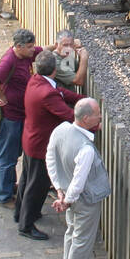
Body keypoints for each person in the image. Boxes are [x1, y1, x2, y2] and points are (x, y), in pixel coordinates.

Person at [48, 98, 110, 259]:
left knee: (71, 234)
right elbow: (79, 181)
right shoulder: (86, 149)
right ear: (86, 119)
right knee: (82, 241)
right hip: (84, 202)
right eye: (97, 114)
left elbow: (51, 158)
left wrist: (59, 189)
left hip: (68, 196)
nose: (100, 116)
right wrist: (67, 199)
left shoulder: (61, 130)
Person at [16, 50, 80, 241]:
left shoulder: (36, 81)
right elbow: (68, 115)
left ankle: (20, 213)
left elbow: (60, 93)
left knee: (27, 180)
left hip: (30, 139)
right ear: (54, 70)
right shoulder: (47, 93)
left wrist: (80, 99)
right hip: (40, 145)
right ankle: (26, 225)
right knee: (37, 186)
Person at [0, 29, 44, 209]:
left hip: (21, 115)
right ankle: (5, 196)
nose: (32, 50)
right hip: (11, 118)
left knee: (14, 154)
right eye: (29, 47)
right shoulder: (9, 60)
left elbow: (43, 50)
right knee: (8, 158)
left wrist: (60, 46)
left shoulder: (26, 54)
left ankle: (10, 186)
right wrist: (1, 96)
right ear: (17, 47)